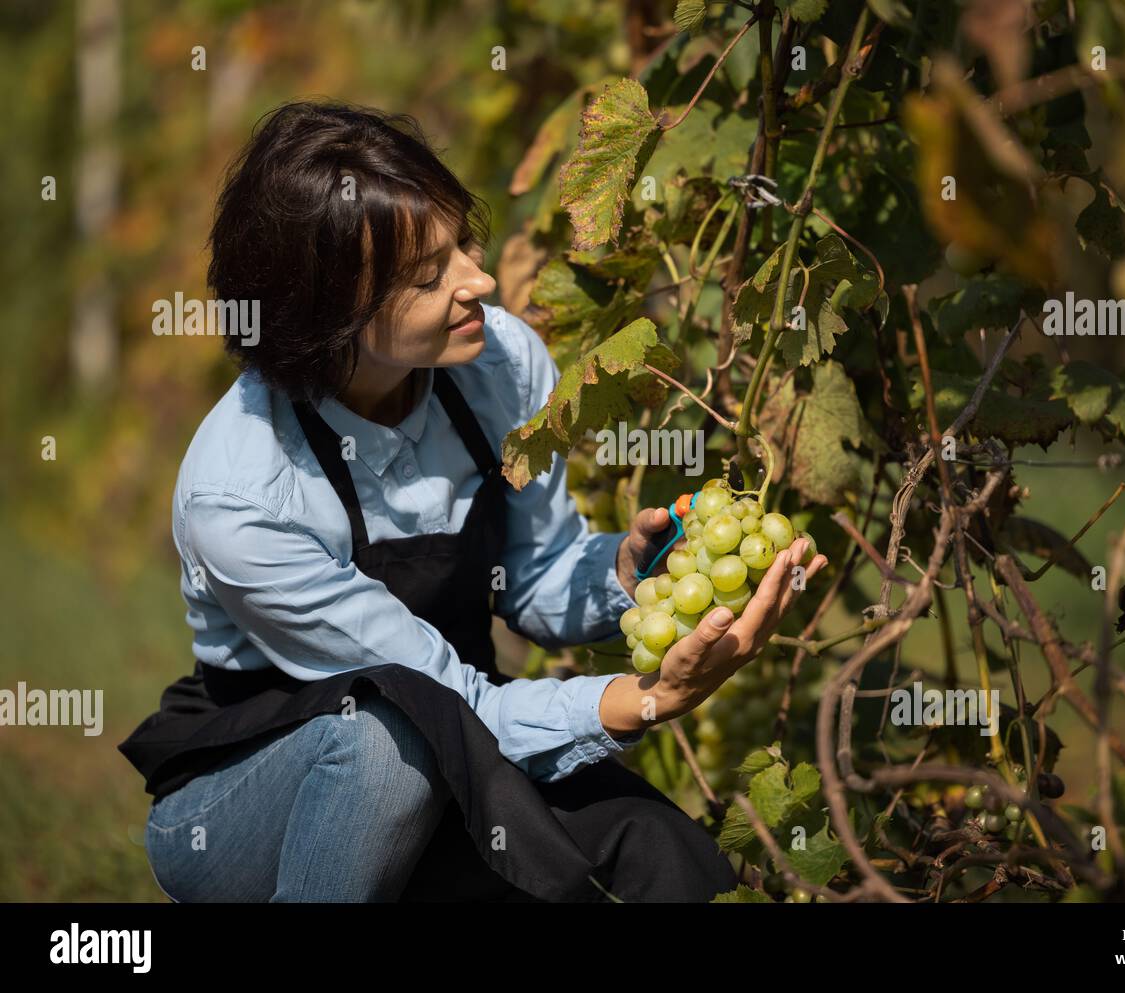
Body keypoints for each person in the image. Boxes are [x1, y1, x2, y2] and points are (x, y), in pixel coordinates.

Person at [117, 101, 828, 903]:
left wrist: (626, 575)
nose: (478, 281)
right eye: (429, 276)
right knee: (386, 746)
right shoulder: (240, 495)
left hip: (460, 742)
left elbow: (530, 580)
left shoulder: (498, 364)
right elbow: (444, 703)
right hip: (254, 794)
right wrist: (645, 700)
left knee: (665, 857)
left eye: (463, 241)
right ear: (329, 314)